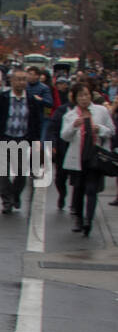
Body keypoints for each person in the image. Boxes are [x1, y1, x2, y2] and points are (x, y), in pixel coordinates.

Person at [60, 83, 114, 237]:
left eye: (86, 95)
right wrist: (73, 126)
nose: (84, 99)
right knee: (78, 189)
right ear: (75, 98)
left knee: (91, 189)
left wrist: (100, 129)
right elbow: (64, 136)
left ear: (91, 96)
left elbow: (111, 131)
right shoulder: (70, 115)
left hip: (95, 157)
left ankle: (88, 220)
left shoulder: (101, 111)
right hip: (78, 157)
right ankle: (78, 217)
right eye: (80, 96)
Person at [0, 68, 43, 214]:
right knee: (4, 172)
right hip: (4, 138)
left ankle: (15, 194)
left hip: (22, 139)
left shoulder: (31, 100)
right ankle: (7, 201)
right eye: (18, 79)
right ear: (11, 81)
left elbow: (37, 122)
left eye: (23, 79)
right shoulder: (3, 98)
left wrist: (37, 140)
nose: (21, 82)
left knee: (21, 172)